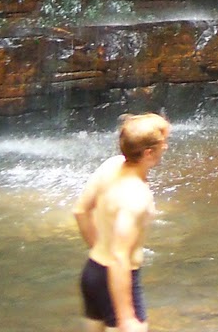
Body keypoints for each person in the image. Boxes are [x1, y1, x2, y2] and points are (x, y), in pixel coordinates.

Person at [73, 112, 171, 332]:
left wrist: (98, 249)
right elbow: (119, 257)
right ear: (148, 152)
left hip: (92, 272)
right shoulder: (136, 195)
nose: (166, 147)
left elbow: (80, 211)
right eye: (163, 143)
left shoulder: (111, 165)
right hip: (117, 282)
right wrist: (126, 317)